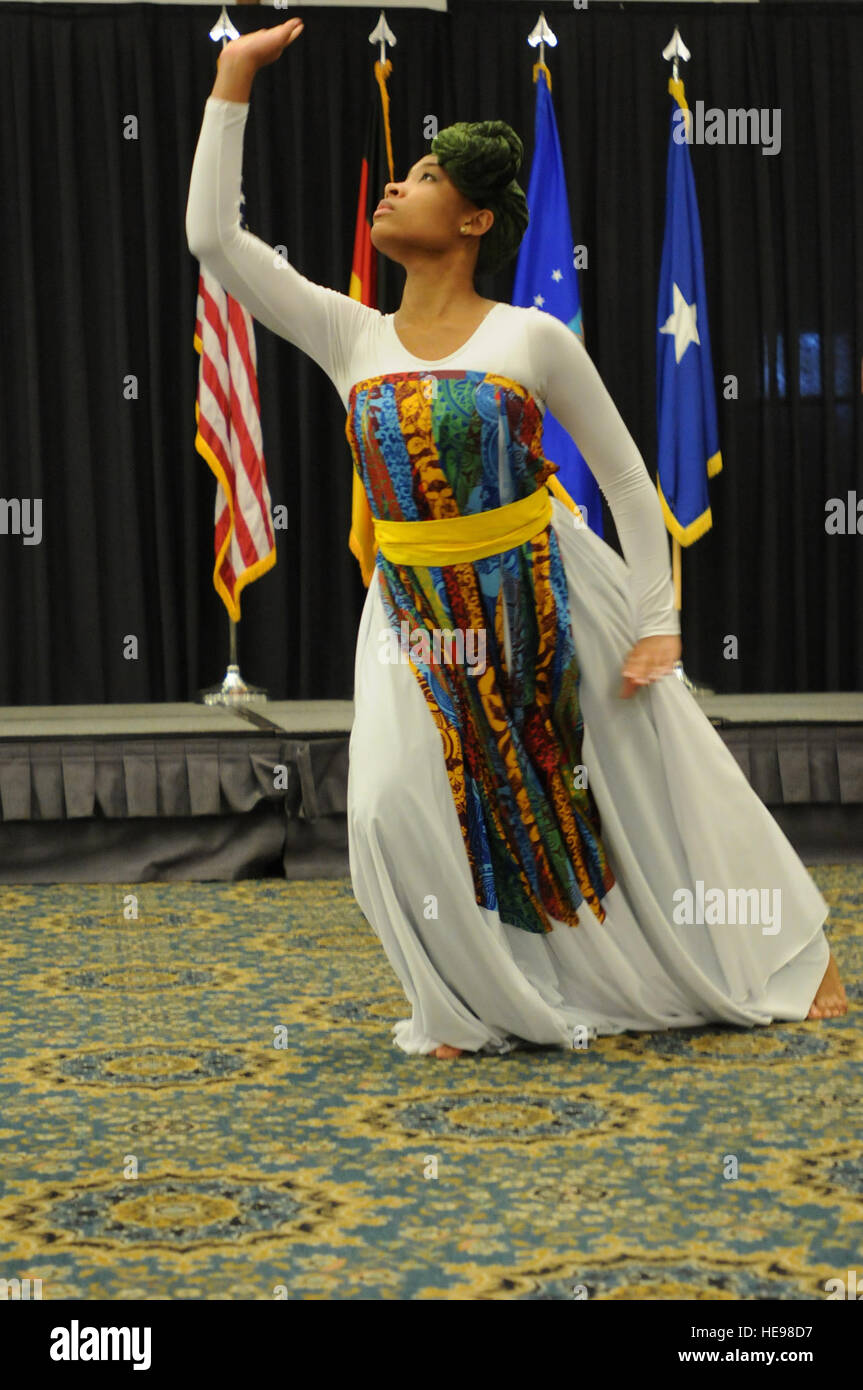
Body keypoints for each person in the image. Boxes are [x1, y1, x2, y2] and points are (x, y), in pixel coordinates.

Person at [185, 18, 846, 1058]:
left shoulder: (527, 335)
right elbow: (214, 244)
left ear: (474, 219)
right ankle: (469, 1004)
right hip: (409, 610)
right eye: (401, 173)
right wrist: (232, 82)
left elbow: (628, 479)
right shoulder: (348, 333)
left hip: (541, 590)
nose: (396, 187)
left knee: (641, 782)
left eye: (426, 176)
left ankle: (783, 959)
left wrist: (656, 616)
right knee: (386, 813)